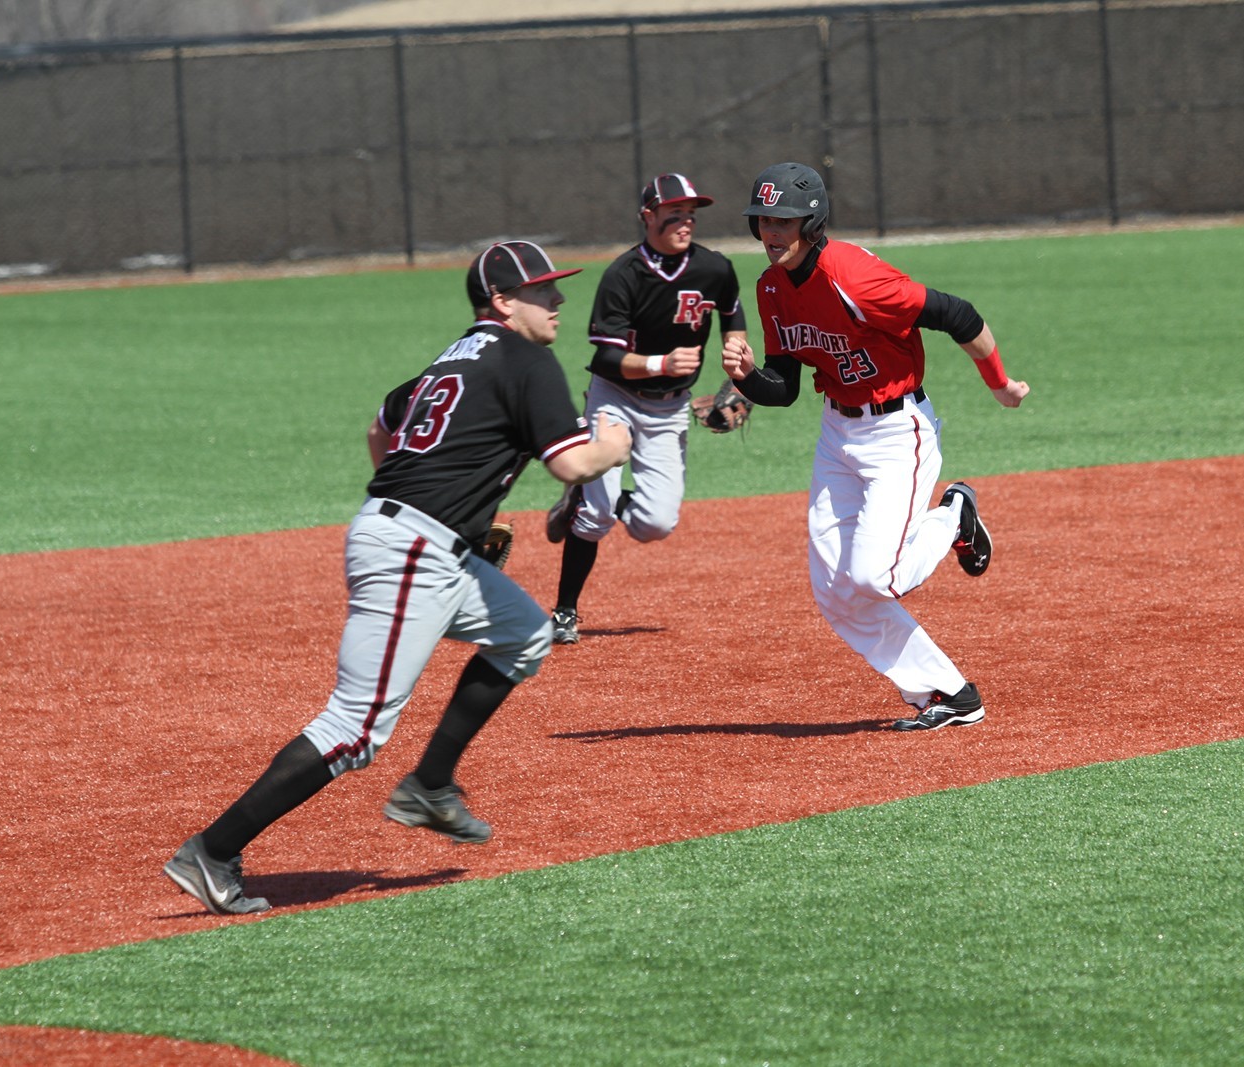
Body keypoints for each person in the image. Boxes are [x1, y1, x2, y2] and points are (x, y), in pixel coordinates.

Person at [164, 241, 633, 915]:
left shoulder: (451, 357)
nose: (556, 301)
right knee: (353, 730)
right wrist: (615, 442)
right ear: (502, 301)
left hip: (413, 537)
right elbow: (570, 465)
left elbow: (380, 428)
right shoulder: (527, 359)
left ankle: (431, 784)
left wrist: (441, 506)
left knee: (526, 633)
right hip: (413, 548)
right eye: (541, 291)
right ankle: (211, 850)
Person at [725, 162, 1030, 731]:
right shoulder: (771, 289)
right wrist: (746, 379)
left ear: (811, 222)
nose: (772, 232)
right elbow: (784, 386)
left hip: (897, 432)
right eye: (763, 219)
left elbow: (956, 314)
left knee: (872, 579)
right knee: (835, 591)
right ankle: (947, 695)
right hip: (837, 434)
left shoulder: (853, 277)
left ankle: (954, 516)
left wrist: (1001, 384)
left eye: (784, 220)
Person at [543, 172, 750, 645]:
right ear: (648, 216)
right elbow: (606, 357)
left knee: (655, 525)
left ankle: (588, 495)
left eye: (691, 214)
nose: (685, 221)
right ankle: (565, 611)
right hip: (614, 396)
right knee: (595, 519)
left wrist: (738, 371)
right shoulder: (624, 275)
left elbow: (733, 320)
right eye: (674, 212)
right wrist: (661, 363)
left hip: (669, 408)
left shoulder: (714, 268)